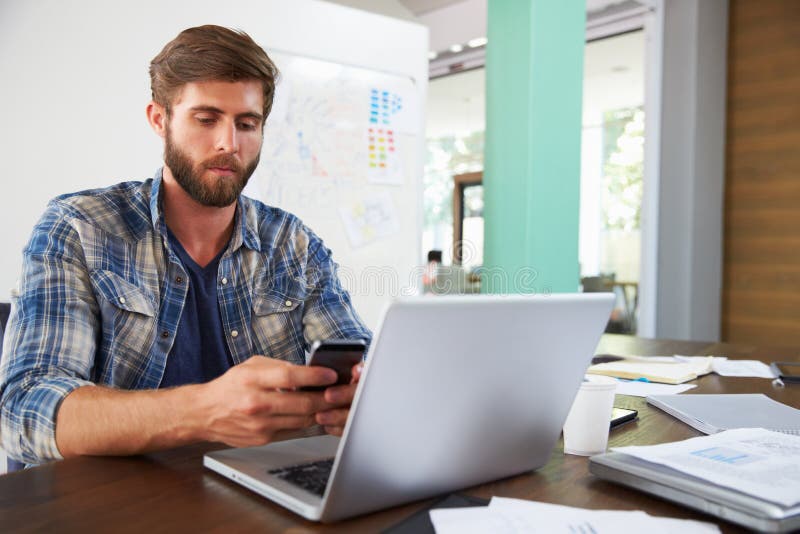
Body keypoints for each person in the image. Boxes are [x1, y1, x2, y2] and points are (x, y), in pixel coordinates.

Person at [0, 25, 371, 466]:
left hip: (256, 494)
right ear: (160, 119)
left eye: (247, 124)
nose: (228, 145)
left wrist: (361, 398)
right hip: (114, 504)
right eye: (206, 118)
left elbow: (358, 365)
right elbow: (23, 410)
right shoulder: (80, 227)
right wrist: (202, 411)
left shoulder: (293, 244)